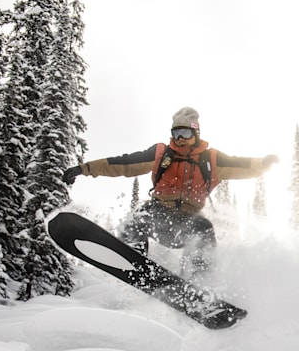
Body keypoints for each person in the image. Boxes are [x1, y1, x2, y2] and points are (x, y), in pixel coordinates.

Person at [62, 107, 278, 278]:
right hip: (159, 214)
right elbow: (123, 163)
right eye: (176, 133)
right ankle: (132, 260)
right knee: (139, 218)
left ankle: (198, 278)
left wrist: (264, 163)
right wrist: (84, 168)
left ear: (196, 133)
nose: (180, 139)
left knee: (204, 229)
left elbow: (240, 165)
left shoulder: (210, 159)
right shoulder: (161, 153)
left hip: (187, 222)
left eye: (185, 133)